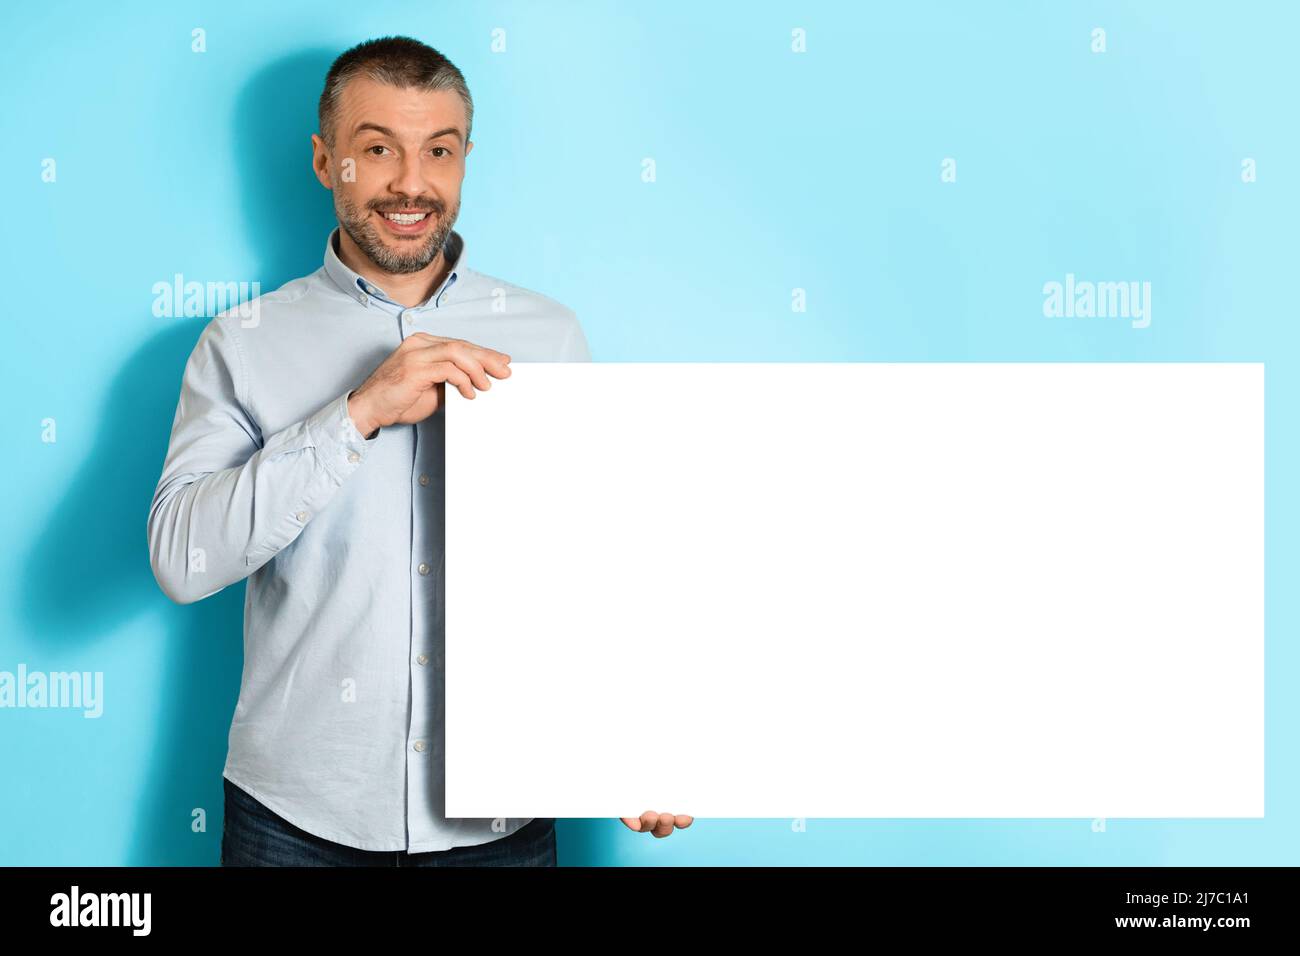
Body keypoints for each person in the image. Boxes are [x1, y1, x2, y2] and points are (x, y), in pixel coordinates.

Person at [147, 35, 692, 866]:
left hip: (499, 831)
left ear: (466, 158)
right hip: (295, 819)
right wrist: (356, 413)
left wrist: (632, 739)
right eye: (378, 149)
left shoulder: (549, 334)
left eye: (438, 151)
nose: (411, 183)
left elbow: (586, 569)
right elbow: (181, 560)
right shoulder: (241, 343)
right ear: (327, 161)